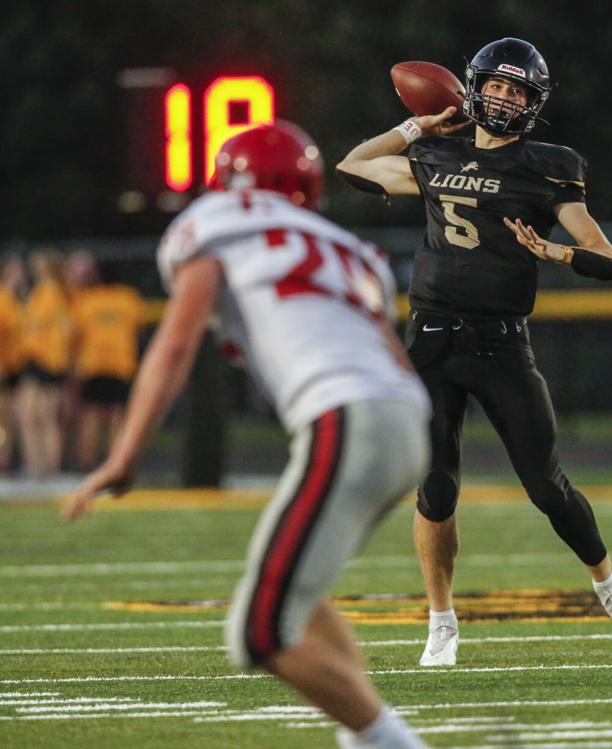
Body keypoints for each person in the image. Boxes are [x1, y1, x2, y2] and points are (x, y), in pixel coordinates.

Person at [62, 121, 434, 749]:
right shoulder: (347, 245)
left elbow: (176, 342)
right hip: (404, 423)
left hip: (345, 419)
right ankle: (364, 737)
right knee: (299, 588)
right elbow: (391, 355)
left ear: (230, 182)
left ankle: (393, 743)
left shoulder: (217, 220)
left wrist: (123, 457)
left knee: (260, 632)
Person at [338, 37, 612, 665]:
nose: (505, 98)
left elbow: (607, 258)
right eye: (497, 86)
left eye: (518, 90)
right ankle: (441, 623)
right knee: (436, 489)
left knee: (546, 484)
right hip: (431, 340)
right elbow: (353, 166)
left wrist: (556, 252)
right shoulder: (434, 152)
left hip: (501, 343)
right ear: (475, 88)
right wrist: (416, 124)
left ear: (532, 102)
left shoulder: (548, 164)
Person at [68, 257, 146, 470]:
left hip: (94, 364)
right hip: (121, 364)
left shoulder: (87, 300)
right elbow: (138, 331)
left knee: (91, 417)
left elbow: (76, 336)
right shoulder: (129, 298)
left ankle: (86, 465)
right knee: (116, 417)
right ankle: (116, 462)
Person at [18, 249, 73, 476]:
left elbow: (64, 327)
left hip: (46, 360)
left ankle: (44, 468)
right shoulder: (43, 291)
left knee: (41, 416)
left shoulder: (51, 292)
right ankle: (39, 466)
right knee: (34, 415)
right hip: (37, 359)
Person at [0, 256, 28, 472]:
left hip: (17, 367)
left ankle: (6, 458)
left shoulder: (17, 301)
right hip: (5, 367)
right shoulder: (3, 300)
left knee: (11, 417)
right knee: (4, 415)